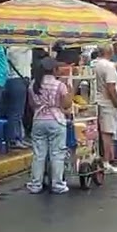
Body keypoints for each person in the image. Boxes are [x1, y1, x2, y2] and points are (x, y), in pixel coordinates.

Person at [27, 57, 74, 195]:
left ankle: (35, 184)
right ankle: (58, 184)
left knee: (38, 154)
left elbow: (32, 105)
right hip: (56, 120)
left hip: (38, 120)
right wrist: (70, 91)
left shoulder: (33, 84)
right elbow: (66, 105)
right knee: (57, 154)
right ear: (54, 70)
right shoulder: (59, 85)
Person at [91, 44, 117, 174]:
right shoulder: (109, 67)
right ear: (109, 51)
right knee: (107, 134)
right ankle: (106, 162)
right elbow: (111, 88)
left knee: (99, 133)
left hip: (97, 100)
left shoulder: (94, 64)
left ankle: (104, 160)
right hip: (108, 103)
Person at [3, 46, 33, 150]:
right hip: (19, 80)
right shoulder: (20, 48)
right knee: (16, 112)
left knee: (14, 111)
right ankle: (14, 139)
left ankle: (17, 137)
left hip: (12, 80)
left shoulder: (10, 49)